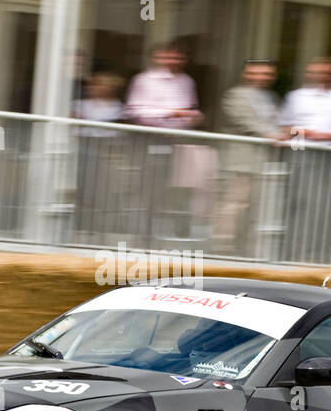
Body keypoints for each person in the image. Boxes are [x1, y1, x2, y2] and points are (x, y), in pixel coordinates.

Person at [280, 57, 331, 260]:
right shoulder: (296, 96)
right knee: (295, 202)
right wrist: (306, 133)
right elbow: (286, 127)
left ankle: (313, 251)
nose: (320, 77)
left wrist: (329, 136)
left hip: (330, 155)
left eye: (325, 73)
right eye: (316, 73)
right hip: (300, 152)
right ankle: (291, 249)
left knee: (322, 204)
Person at [125, 42, 209, 239]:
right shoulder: (145, 80)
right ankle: (142, 234)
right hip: (150, 138)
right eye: (169, 56)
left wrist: (192, 116)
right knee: (149, 187)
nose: (174, 61)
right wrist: (171, 113)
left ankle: (166, 231)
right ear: (158, 58)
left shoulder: (186, 81)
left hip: (177, 139)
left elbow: (190, 109)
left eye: (178, 57)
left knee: (174, 187)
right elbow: (135, 111)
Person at [216, 59, 283, 254]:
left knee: (257, 205)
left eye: (267, 74)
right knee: (236, 202)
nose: (261, 78)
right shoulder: (235, 95)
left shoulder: (272, 97)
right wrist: (274, 135)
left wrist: (294, 141)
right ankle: (223, 246)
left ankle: (246, 246)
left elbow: (280, 124)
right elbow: (245, 120)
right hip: (243, 159)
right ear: (245, 75)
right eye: (256, 73)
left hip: (267, 159)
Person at [73, 72, 125, 237]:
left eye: (105, 84)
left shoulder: (118, 107)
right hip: (84, 147)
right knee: (83, 188)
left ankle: (99, 228)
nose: (100, 88)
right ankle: (81, 226)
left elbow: (119, 131)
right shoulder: (80, 105)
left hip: (107, 150)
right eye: (96, 84)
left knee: (103, 191)